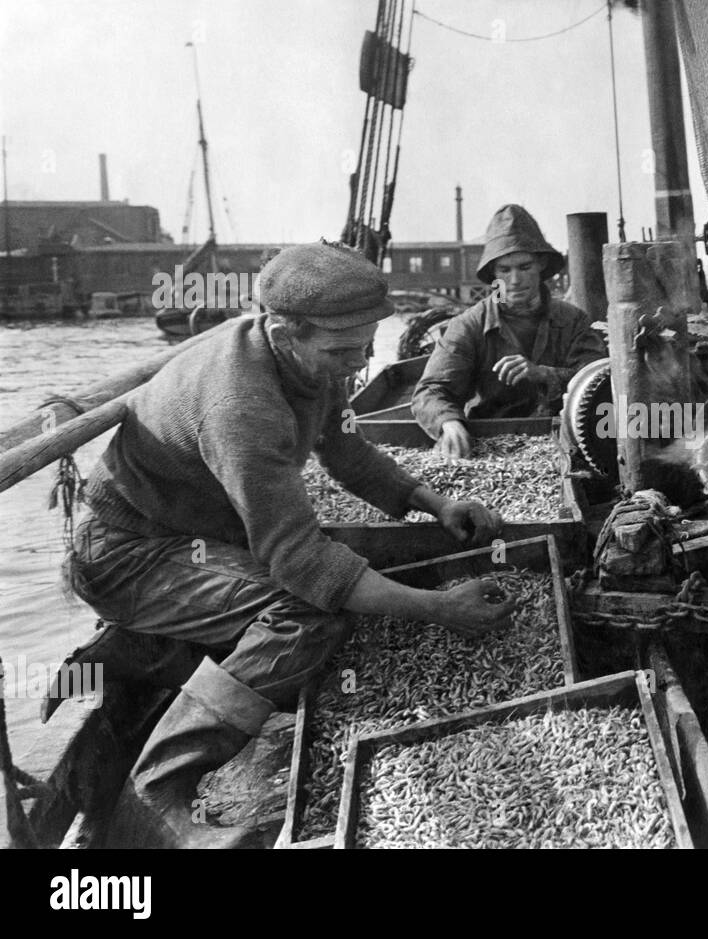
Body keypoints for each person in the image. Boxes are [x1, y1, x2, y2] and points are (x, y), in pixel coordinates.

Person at [63, 241, 515, 849]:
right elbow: (300, 561)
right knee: (305, 616)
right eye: (340, 351)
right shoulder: (241, 406)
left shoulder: (305, 362)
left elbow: (344, 446)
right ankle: (156, 796)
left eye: (365, 346)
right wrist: (439, 608)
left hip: (192, 533)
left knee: (336, 587)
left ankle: (165, 654)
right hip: (127, 554)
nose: (356, 364)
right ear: (281, 331)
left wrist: (434, 502)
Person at [410, 204, 606, 457]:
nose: (514, 280)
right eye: (505, 270)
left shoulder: (573, 320)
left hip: (564, 437)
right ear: (493, 273)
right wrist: (448, 423)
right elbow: (431, 390)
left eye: (524, 267)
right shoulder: (469, 325)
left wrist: (542, 374)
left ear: (541, 265)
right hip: (489, 441)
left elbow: (597, 381)